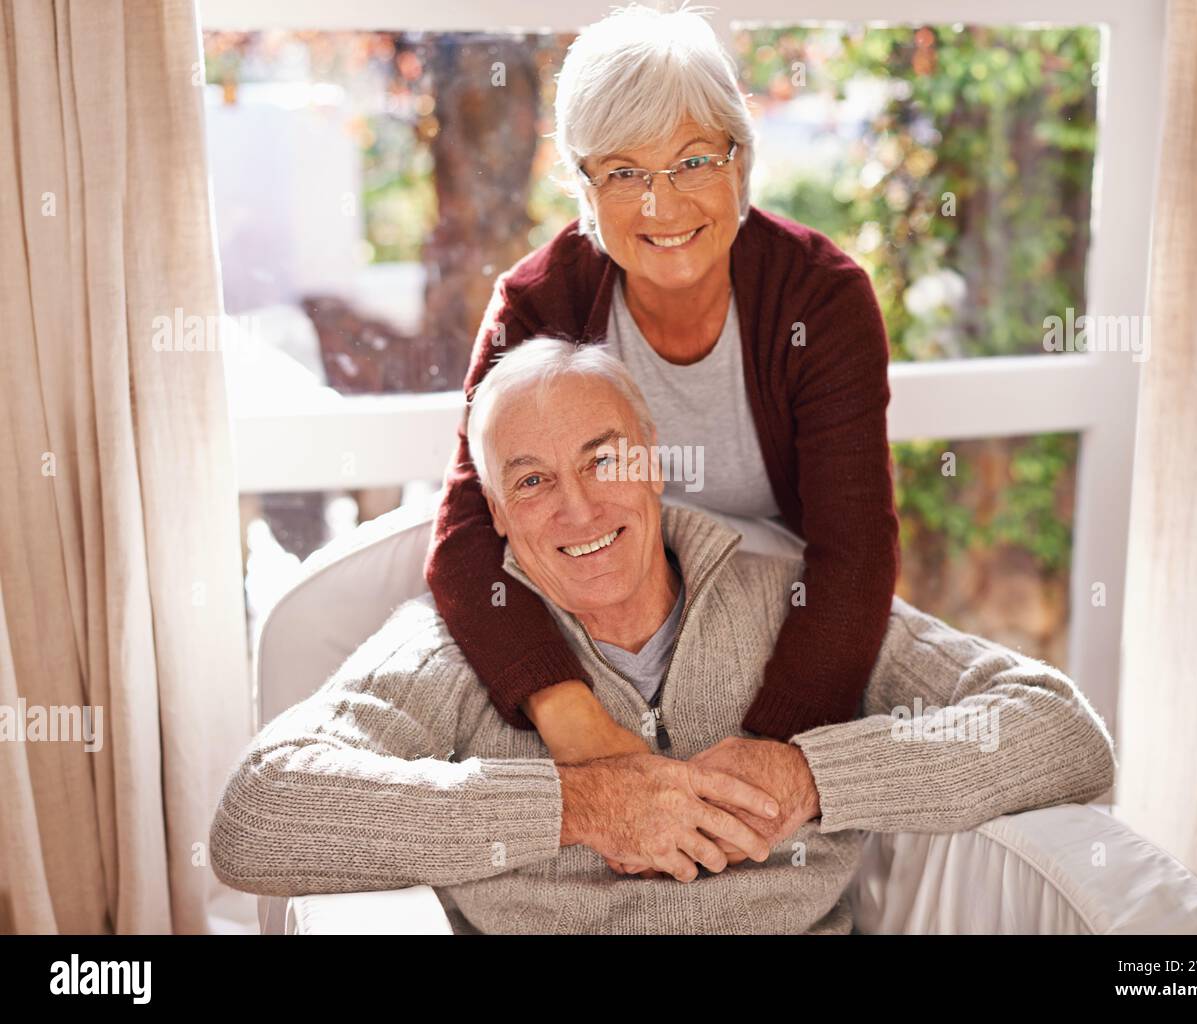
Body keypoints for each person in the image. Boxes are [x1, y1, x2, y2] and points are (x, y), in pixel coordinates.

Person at [211, 338, 1117, 934]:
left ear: (651, 456)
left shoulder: (798, 611)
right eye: (530, 483)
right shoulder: (447, 649)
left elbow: (1058, 729)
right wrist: (576, 806)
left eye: (602, 459)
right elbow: (258, 818)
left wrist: (812, 777)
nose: (577, 507)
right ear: (494, 511)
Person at [424, 3, 900, 767]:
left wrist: (767, 751)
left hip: (768, 630)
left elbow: (855, 552)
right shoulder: (538, 304)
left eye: (692, 162)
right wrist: (570, 716)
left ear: (738, 159)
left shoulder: (821, 301)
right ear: (585, 183)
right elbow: (466, 537)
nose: (662, 205)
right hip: (594, 642)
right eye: (624, 172)